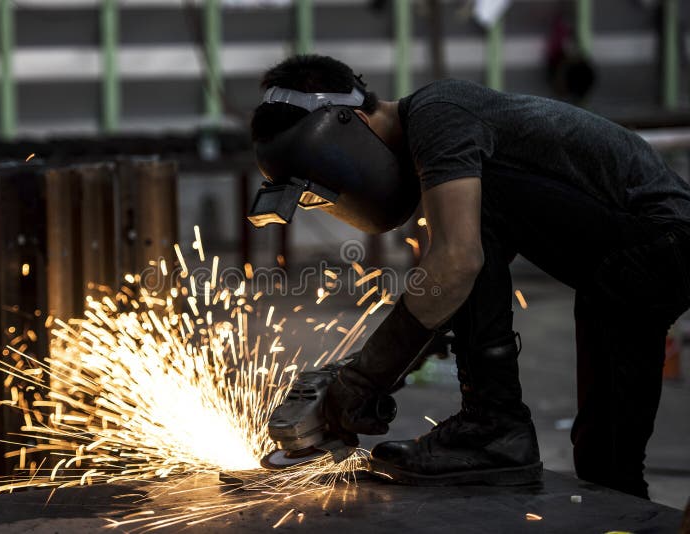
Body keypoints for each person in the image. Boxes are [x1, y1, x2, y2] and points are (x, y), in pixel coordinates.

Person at [249, 54, 690, 499]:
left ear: (350, 123)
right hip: (627, 267)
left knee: (464, 236)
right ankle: (502, 432)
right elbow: (448, 293)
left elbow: (458, 262)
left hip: (663, 242)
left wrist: (363, 380)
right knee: (605, 466)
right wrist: (373, 369)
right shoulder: (441, 144)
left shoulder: (438, 114)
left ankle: (494, 424)